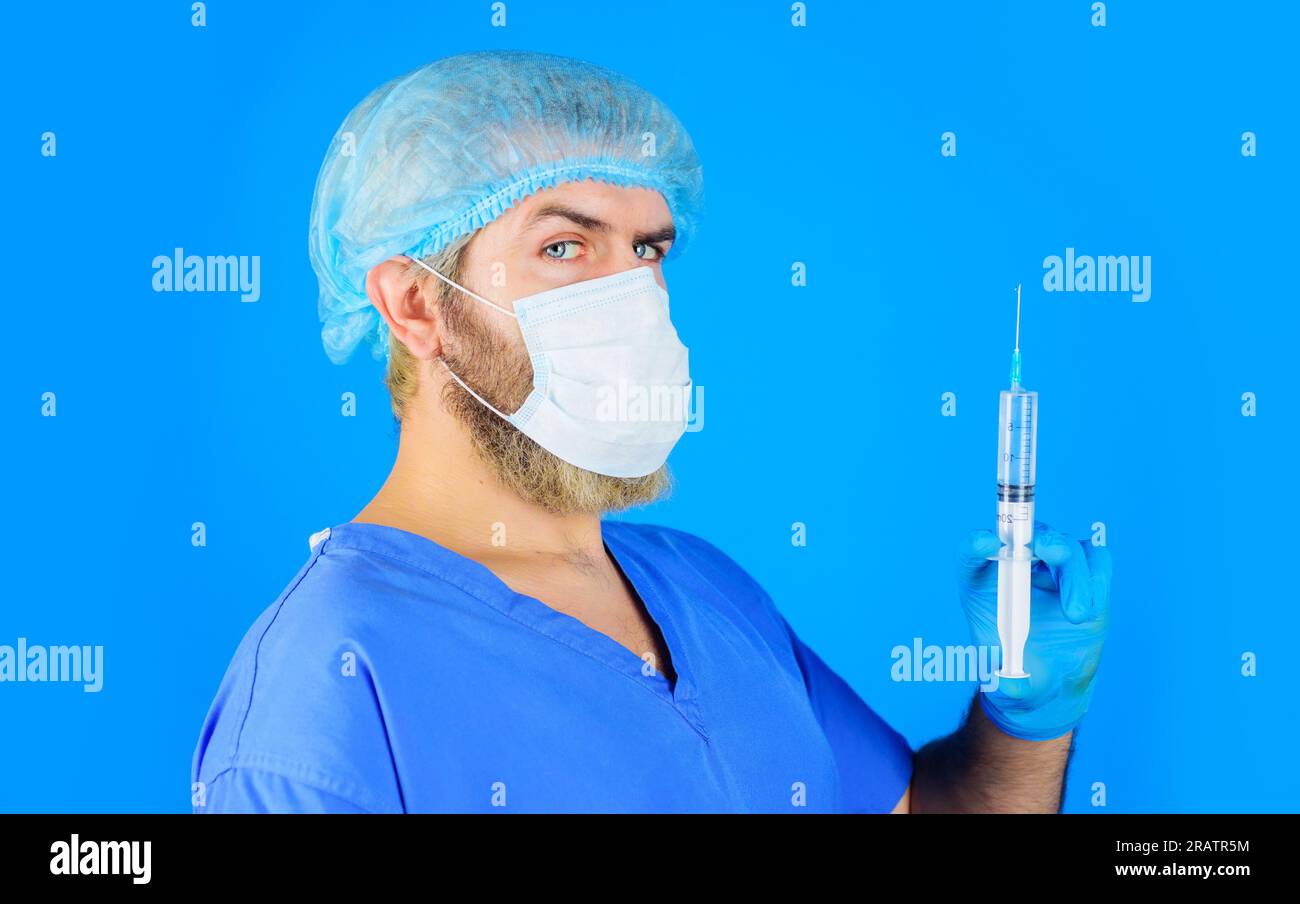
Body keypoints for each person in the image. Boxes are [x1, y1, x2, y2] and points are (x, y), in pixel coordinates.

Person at [191, 50, 1112, 813]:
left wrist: (1027, 715)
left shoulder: (702, 590)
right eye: (564, 247)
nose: (630, 296)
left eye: (647, 251)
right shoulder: (327, 695)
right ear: (416, 305)